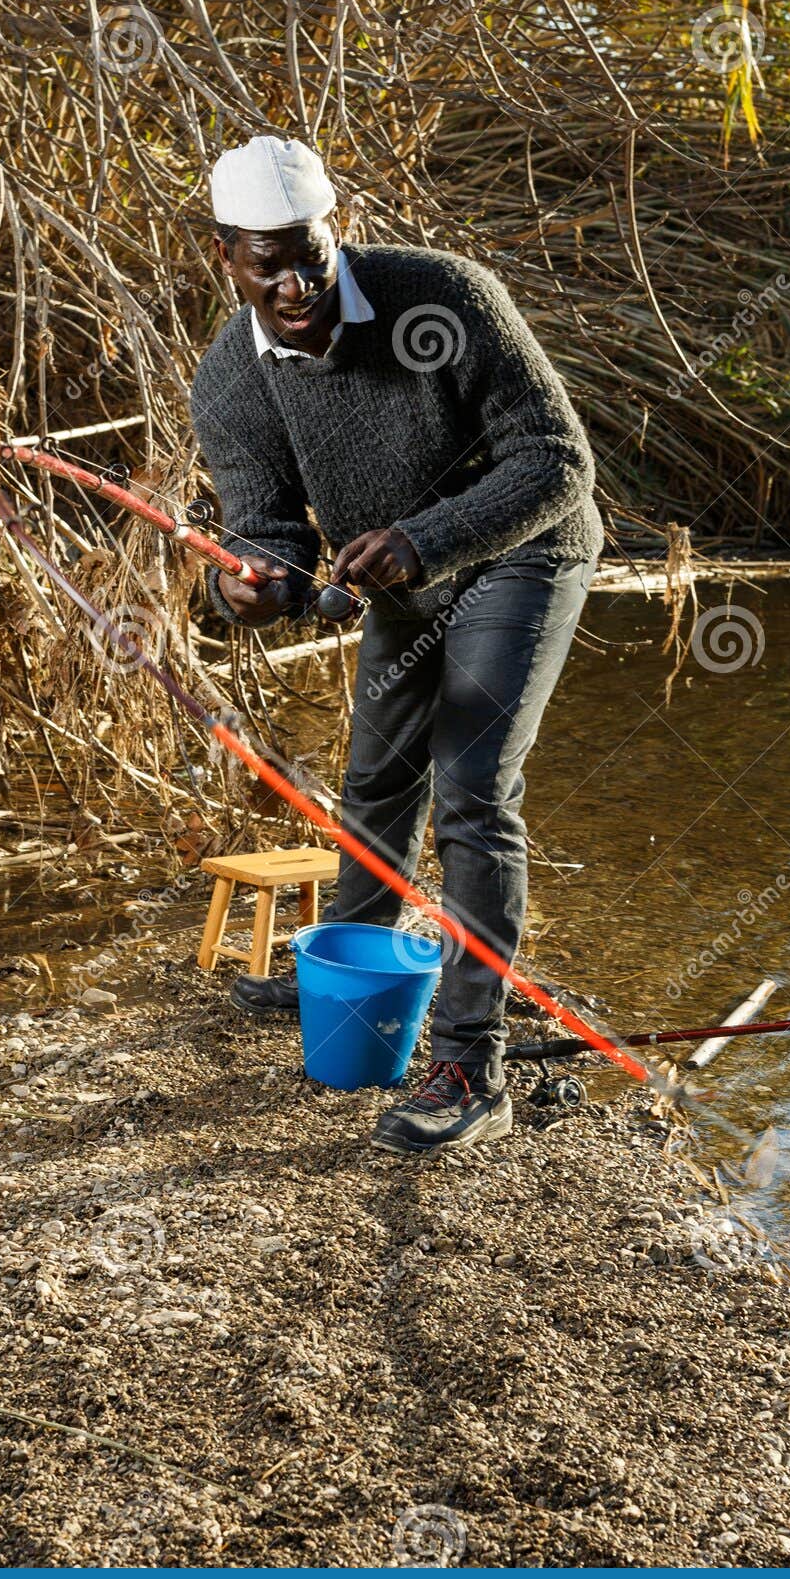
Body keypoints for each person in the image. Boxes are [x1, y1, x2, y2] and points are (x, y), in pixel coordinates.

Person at [190, 135, 602, 1155]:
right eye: (263, 260)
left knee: (471, 787)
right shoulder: (232, 379)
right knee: (375, 780)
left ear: (338, 232)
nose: (292, 283)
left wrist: (427, 540)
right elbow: (263, 525)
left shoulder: (443, 298)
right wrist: (253, 584)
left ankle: (470, 1060)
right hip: (405, 574)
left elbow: (556, 461)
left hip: (521, 553)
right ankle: (357, 976)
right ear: (224, 259)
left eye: (309, 254)